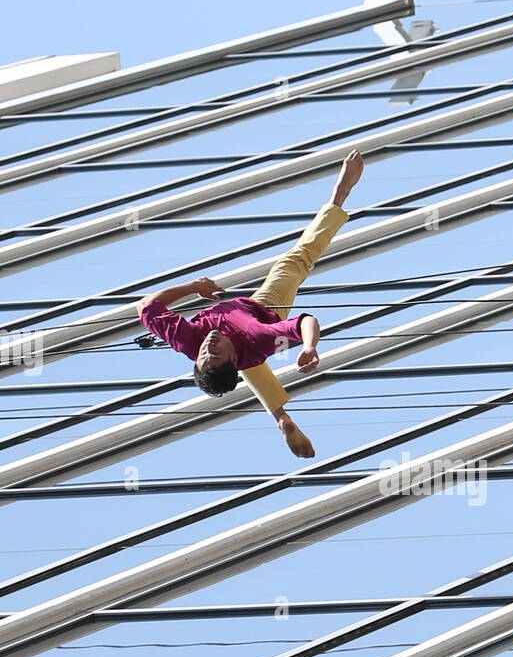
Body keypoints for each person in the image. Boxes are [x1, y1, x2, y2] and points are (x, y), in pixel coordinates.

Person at [135, 150, 365, 458]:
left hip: (243, 337)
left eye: (204, 355)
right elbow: (304, 321)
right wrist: (309, 347)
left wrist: (194, 286)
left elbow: (145, 307)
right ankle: (340, 194)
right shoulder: (257, 341)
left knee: (256, 372)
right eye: (215, 355)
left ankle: (281, 416)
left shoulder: (188, 341)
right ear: (232, 359)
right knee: (295, 262)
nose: (209, 347)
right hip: (266, 309)